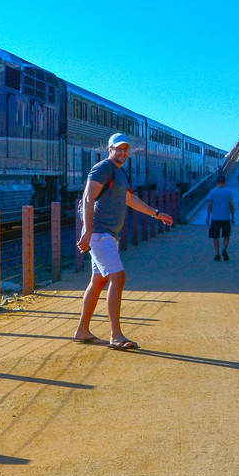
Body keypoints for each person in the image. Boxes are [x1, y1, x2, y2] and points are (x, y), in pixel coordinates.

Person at [73, 133, 174, 350]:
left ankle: (82, 330)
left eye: (125, 149)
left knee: (99, 281)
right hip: (100, 234)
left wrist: (156, 213)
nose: (122, 152)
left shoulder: (120, 172)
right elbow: (88, 197)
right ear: (109, 149)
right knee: (118, 278)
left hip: (109, 235)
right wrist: (87, 230)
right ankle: (116, 335)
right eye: (118, 149)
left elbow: (129, 199)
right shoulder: (103, 168)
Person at [204, 179, 236, 261]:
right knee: (226, 235)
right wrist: (232, 216)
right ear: (225, 182)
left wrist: (208, 216)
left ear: (217, 182)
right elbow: (231, 205)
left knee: (215, 237)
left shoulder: (212, 192)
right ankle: (224, 249)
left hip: (215, 218)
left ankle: (217, 254)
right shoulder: (229, 192)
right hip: (226, 217)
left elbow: (210, 205)